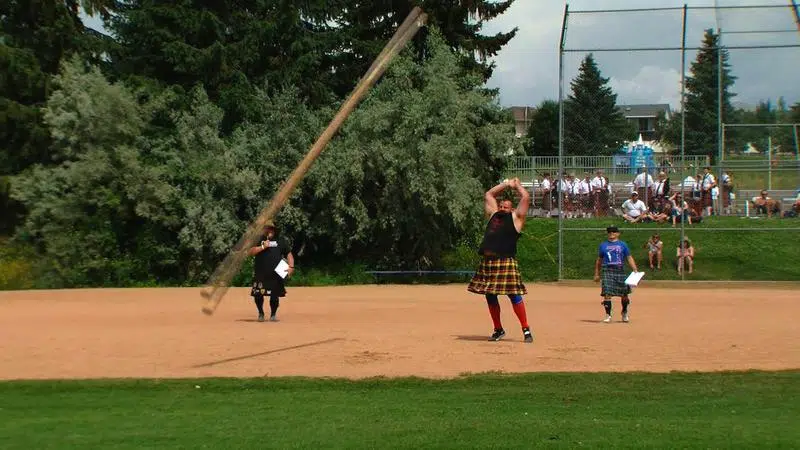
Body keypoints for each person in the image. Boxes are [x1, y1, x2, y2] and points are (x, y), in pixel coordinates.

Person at [467, 177, 533, 343]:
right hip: (489, 261)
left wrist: (517, 185)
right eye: (501, 206)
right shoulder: (493, 215)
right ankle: (498, 329)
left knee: (514, 295)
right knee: (490, 295)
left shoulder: (516, 218)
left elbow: (525, 198)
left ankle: (526, 329)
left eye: (506, 207)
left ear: (511, 209)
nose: (503, 209)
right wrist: (506, 184)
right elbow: (489, 194)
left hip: (505, 261)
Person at [248, 220, 295, 322]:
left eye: (271, 228)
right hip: (261, 273)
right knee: (258, 294)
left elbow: (289, 254)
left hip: (276, 273)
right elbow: (250, 251)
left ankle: (273, 315)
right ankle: (261, 313)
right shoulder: (259, 240)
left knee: (274, 296)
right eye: (267, 228)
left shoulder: (281, 241)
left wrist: (291, 266)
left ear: (274, 230)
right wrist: (263, 246)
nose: (269, 230)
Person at [593, 226, 639, 323]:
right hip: (607, 269)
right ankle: (608, 315)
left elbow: (629, 257)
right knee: (607, 293)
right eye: (609, 232)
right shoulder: (603, 245)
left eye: (614, 232)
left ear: (618, 233)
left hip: (619, 269)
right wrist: (597, 273)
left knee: (624, 295)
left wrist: (635, 269)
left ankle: (624, 311)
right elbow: (599, 260)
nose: (611, 233)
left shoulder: (623, 245)